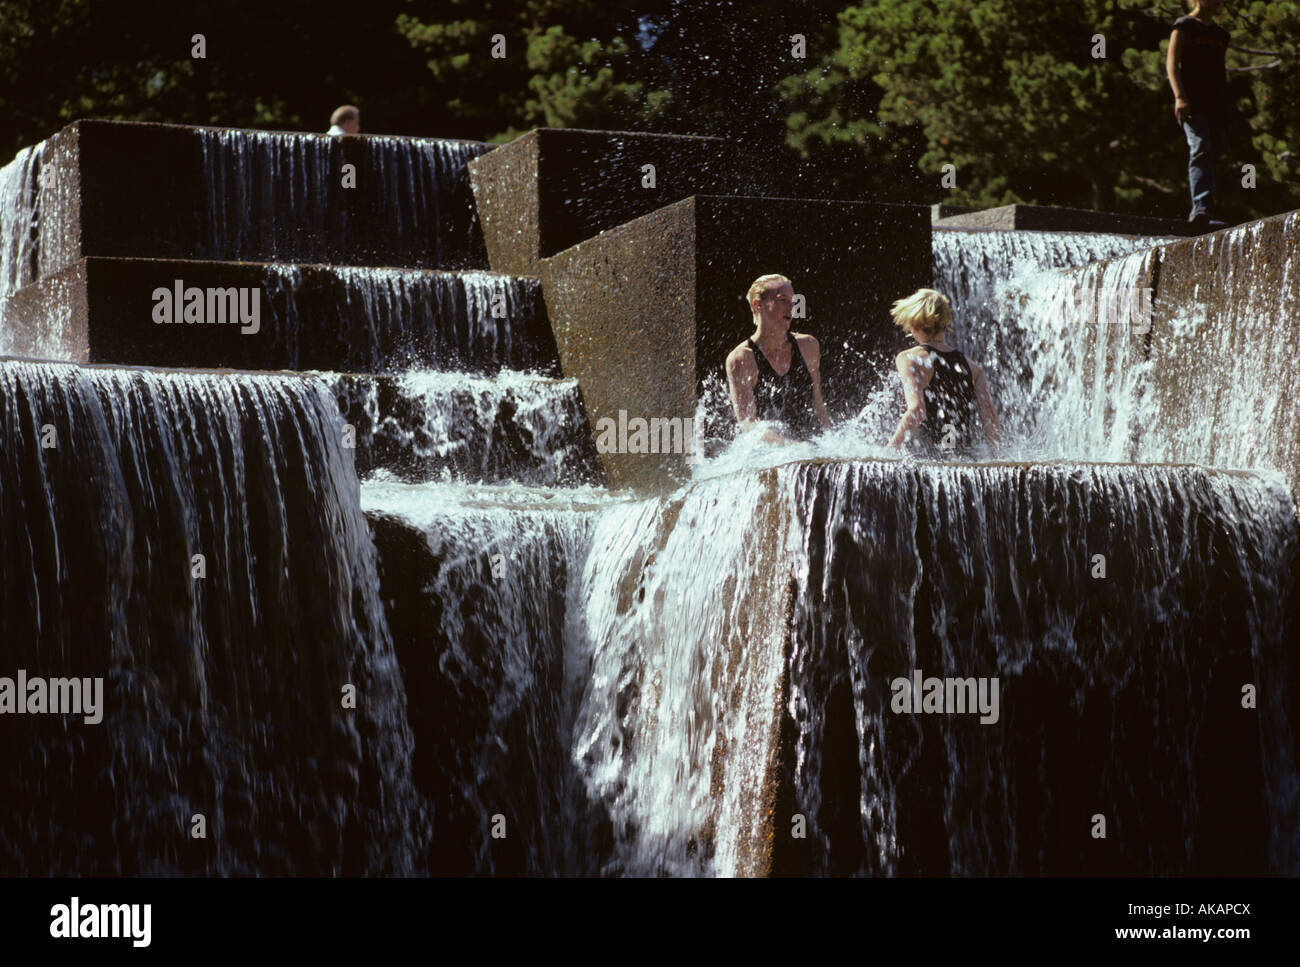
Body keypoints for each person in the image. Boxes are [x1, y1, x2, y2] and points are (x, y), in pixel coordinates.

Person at [887, 288, 1000, 457]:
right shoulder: (973, 368)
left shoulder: (909, 359)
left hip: (923, 466)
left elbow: (917, 410)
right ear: (945, 323)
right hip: (959, 465)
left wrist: (888, 451)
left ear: (914, 324)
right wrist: (998, 457)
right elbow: (989, 414)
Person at [725, 274, 831, 443]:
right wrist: (793, 448)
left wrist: (830, 445)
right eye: (783, 300)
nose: (791, 307)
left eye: (793, 301)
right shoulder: (741, 359)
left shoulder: (809, 346)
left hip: (809, 448)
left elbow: (819, 407)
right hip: (771, 454)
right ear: (758, 304)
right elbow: (748, 426)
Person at [1166, 1, 1230, 228]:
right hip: (1192, 103)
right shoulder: (1184, 26)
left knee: (1214, 153)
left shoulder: (1220, 34)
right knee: (1200, 147)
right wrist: (1180, 96)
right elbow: (1172, 64)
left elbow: (1220, 72)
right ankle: (1200, 206)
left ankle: (1209, 209)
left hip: (1215, 105)